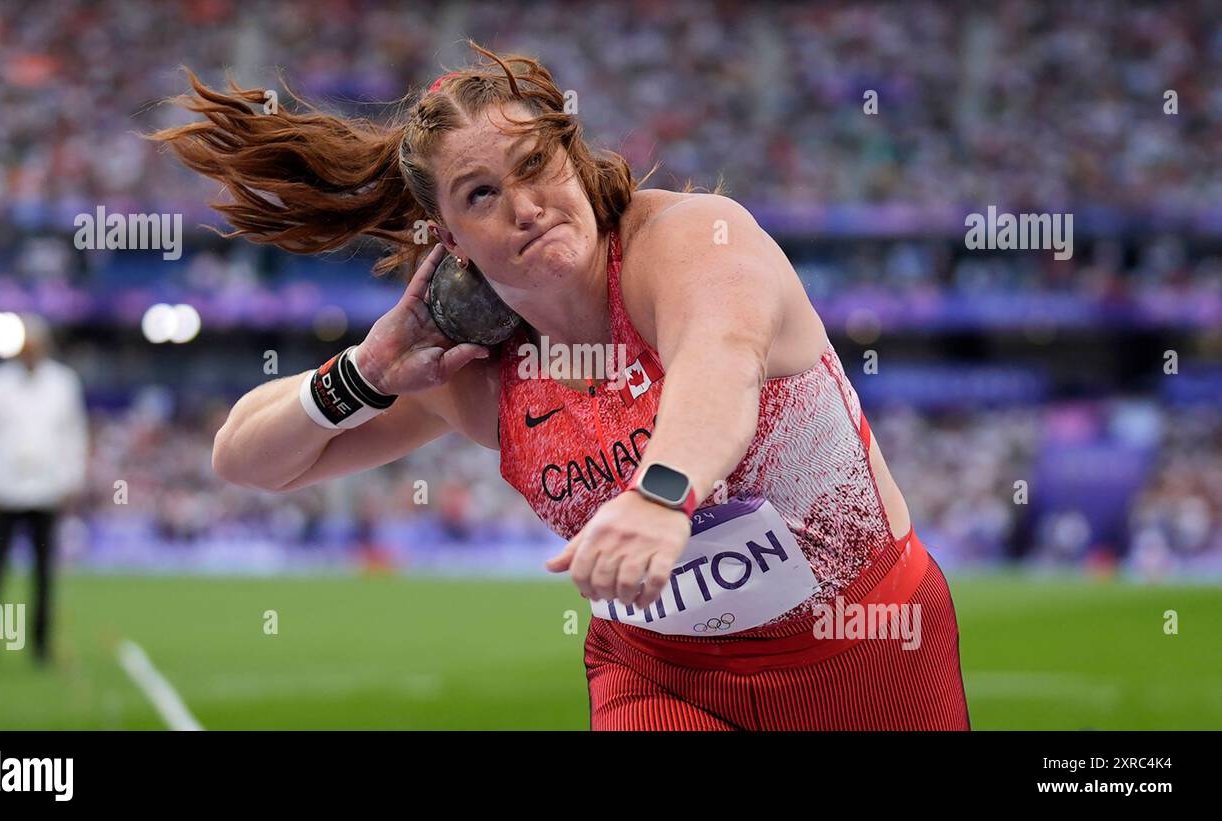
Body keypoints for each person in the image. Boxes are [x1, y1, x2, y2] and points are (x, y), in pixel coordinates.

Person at [154, 41, 969, 730]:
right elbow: (247, 459)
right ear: (450, 239)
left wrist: (659, 497)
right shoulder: (476, 369)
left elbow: (718, 364)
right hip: (658, 672)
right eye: (482, 195)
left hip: (869, 642)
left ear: (573, 159)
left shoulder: (690, 244)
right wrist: (363, 373)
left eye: (535, 165)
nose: (526, 206)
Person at [0, 314, 88, 665]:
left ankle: (40, 645)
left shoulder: (64, 383)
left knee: (44, 574)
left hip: (47, 490)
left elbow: (73, 435)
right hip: (4, 489)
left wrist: (71, 479)